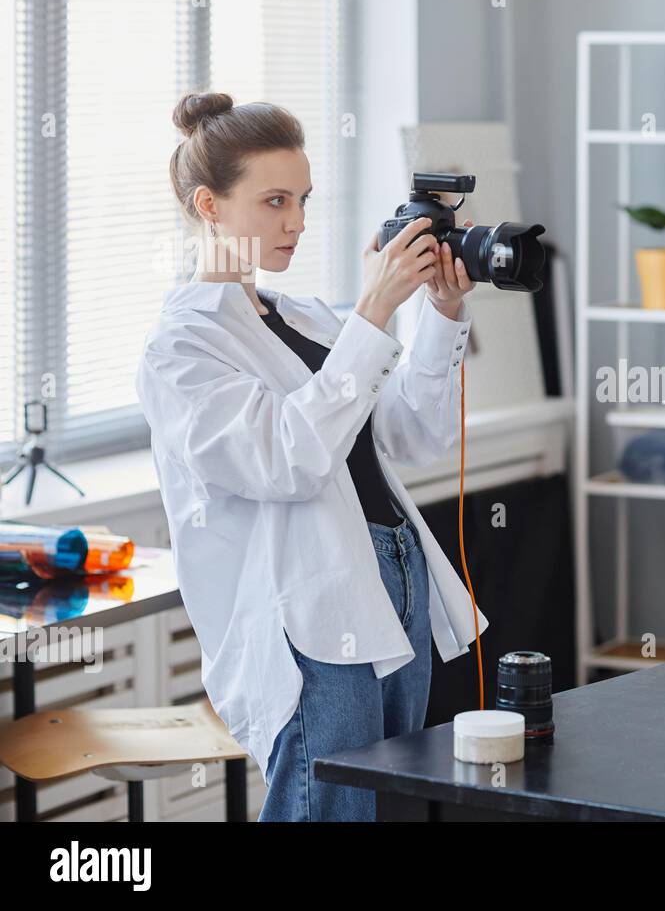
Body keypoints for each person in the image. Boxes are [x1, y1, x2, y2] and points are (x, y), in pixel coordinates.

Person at [136, 91, 488, 821]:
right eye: (273, 201)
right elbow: (287, 461)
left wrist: (441, 313)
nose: (296, 222)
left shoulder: (306, 318)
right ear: (210, 205)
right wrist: (373, 313)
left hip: (396, 583)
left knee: (384, 811)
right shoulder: (182, 348)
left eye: (302, 199)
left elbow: (411, 437)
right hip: (311, 614)